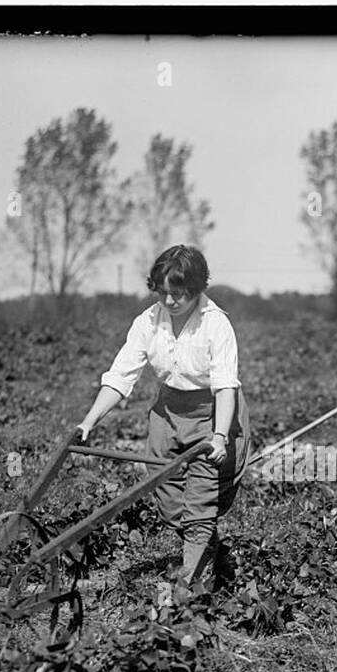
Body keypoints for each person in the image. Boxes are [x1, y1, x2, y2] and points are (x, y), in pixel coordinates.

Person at [76, 245, 250, 584]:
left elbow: (225, 387)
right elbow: (121, 376)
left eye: (179, 294)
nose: (170, 301)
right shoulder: (148, 321)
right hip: (168, 411)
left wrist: (219, 435)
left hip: (212, 413)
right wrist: (89, 420)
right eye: (163, 292)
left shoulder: (216, 325)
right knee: (168, 497)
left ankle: (189, 590)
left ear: (197, 288)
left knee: (200, 501)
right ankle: (203, 548)